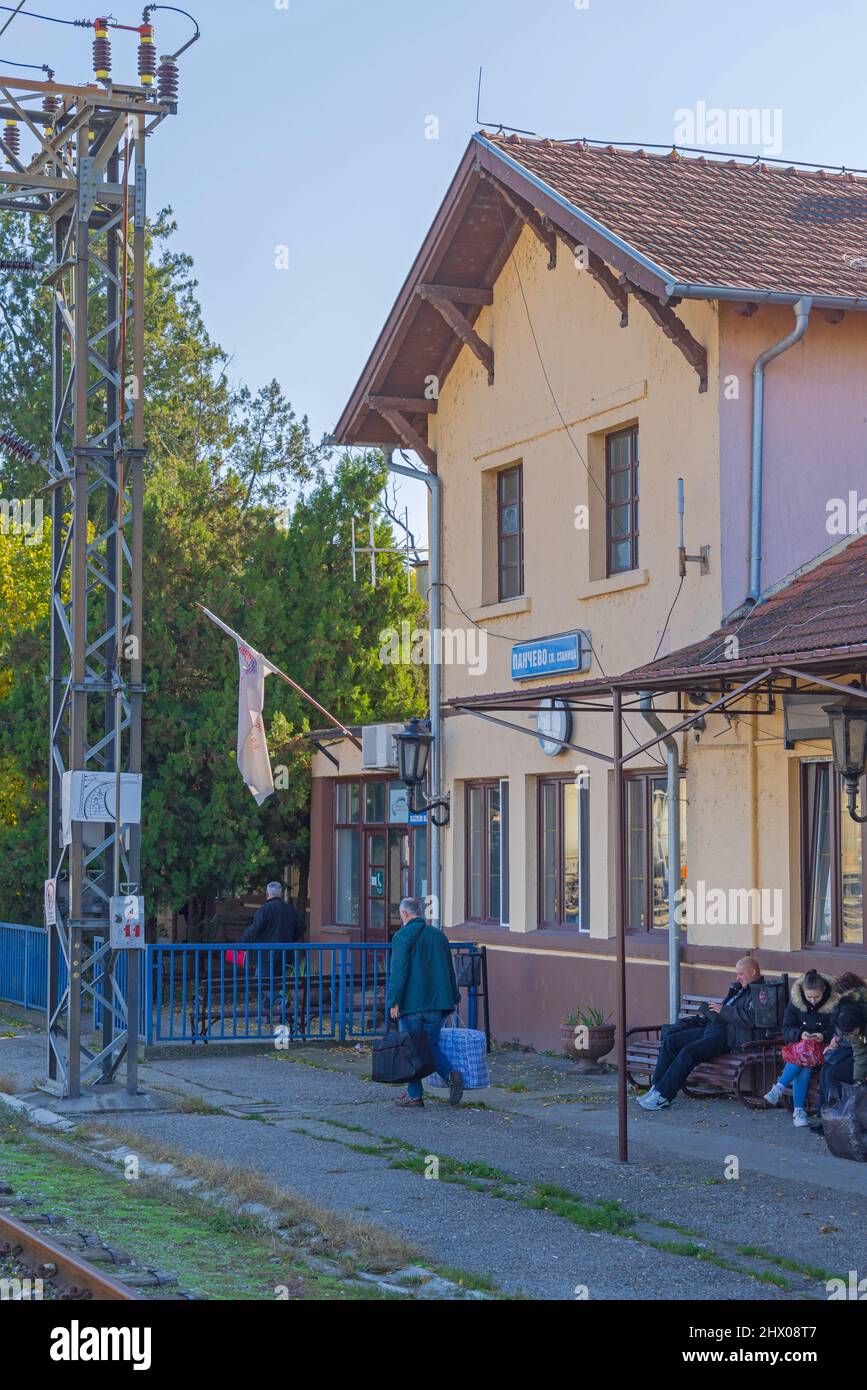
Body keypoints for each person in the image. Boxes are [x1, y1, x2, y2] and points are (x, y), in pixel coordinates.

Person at [638, 956, 766, 1111]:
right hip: (712, 1028)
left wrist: (722, 1010)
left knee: (689, 1052)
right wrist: (713, 1011)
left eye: (741, 974)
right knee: (670, 1041)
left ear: (752, 972)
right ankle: (656, 1088)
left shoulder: (760, 992)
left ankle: (663, 1096)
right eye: (737, 974)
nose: (737, 977)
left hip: (729, 1037)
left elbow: (751, 1019)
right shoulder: (740, 988)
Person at [386, 897, 463, 1109]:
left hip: (411, 1004)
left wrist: (394, 1001)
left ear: (404, 914)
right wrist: (453, 999)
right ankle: (450, 1076)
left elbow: (399, 972)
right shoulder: (439, 936)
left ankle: (415, 1095)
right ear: (420, 912)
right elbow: (449, 970)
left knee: (412, 1048)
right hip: (437, 1004)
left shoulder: (402, 936)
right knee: (429, 1045)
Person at [763, 970, 837, 1126]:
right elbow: (787, 1028)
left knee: (804, 1057)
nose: (812, 1001)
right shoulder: (796, 1002)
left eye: (816, 997)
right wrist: (800, 1034)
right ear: (803, 991)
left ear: (823, 990)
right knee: (804, 1063)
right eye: (809, 997)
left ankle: (781, 1089)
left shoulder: (833, 1003)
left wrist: (823, 1036)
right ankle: (798, 1112)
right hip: (800, 1048)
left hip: (824, 1048)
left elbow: (836, 1030)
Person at [812, 972, 867, 1133]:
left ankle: (838, 1119)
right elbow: (859, 1049)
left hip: (853, 1052)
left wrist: (859, 1078)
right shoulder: (847, 1011)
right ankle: (828, 1119)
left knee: (834, 1074)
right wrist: (836, 1038)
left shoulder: (858, 1010)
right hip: (851, 1050)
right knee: (827, 1069)